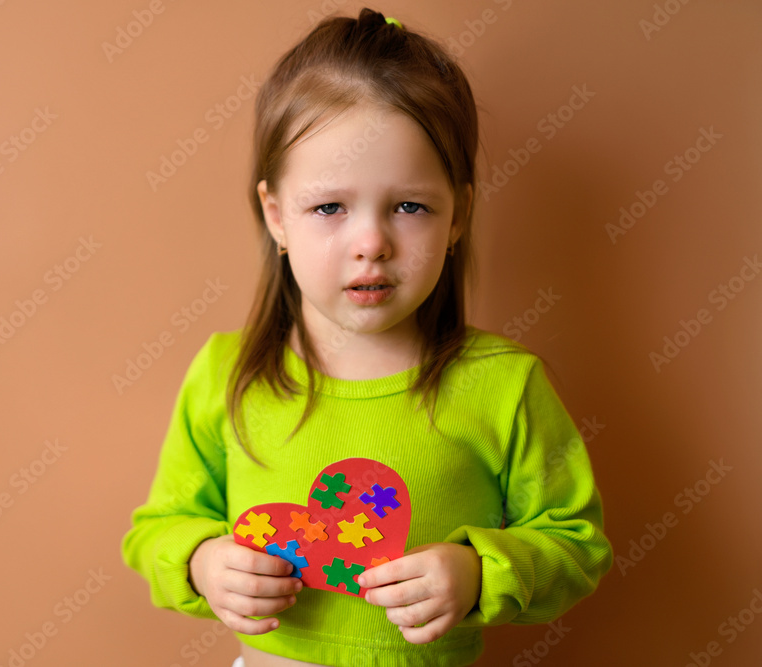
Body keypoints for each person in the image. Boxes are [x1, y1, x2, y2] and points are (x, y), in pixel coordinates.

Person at [121, 8, 613, 666]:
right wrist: (202, 562)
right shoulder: (225, 373)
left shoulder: (504, 384)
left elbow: (578, 544)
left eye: (409, 206)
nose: (372, 243)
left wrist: (479, 572)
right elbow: (155, 529)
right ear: (277, 215)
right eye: (329, 207)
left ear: (458, 214)